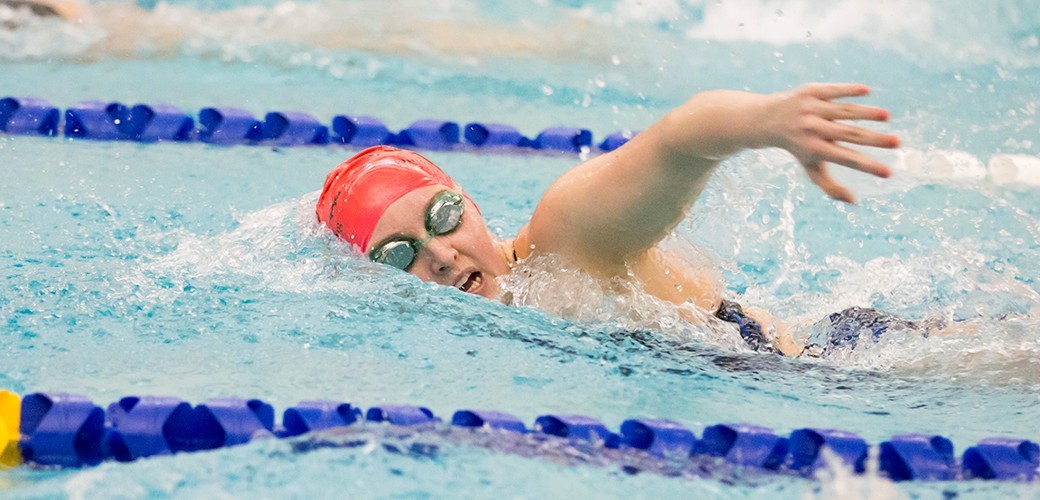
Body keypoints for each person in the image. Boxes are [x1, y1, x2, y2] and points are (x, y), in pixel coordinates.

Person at [316, 83, 907, 357]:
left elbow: (676, 141)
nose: (440, 256)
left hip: (844, 358)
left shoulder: (566, 237)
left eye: (442, 218)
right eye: (399, 255)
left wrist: (766, 121)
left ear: (469, 202)